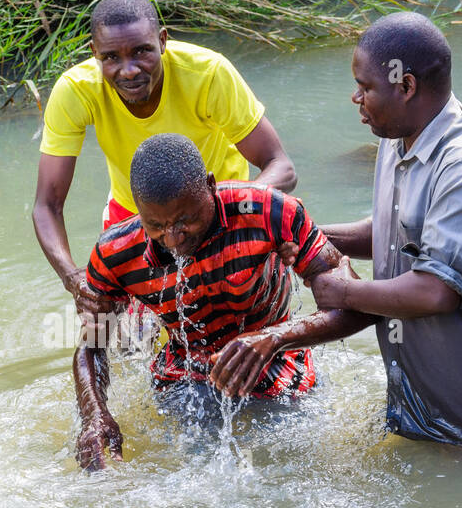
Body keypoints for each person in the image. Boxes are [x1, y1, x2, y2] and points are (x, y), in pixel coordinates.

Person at [281, 11, 462, 449]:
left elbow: (436, 291)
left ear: (406, 86)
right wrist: (303, 235)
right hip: (432, 399)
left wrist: (342, 292)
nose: (355, 98)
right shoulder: (397, 135)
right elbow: (395, 232)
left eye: (365, 87)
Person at [73, 134, 374, 470]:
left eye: (185, 219)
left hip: (280, 365)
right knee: (190, 476)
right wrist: (94, 416)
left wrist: (273, 338)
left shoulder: (269, 212)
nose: (173, 238)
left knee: (295, 468)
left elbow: (354, 308)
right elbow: (92, 343)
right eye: (156, 225)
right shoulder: (116, 253)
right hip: (184, 378)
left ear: (210, 187)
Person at [33, 0, 297, 323]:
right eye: (111, 57)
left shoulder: (208, 74)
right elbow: (47, 204)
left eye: (142, 51)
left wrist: (243, 217)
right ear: (95, 54)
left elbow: (280, 166)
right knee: (113, 333)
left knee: (247, 330)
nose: (128, 71)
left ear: (162, 41)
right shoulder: (76, 90)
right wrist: (73, 278)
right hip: (137, 218)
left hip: (219, 216)